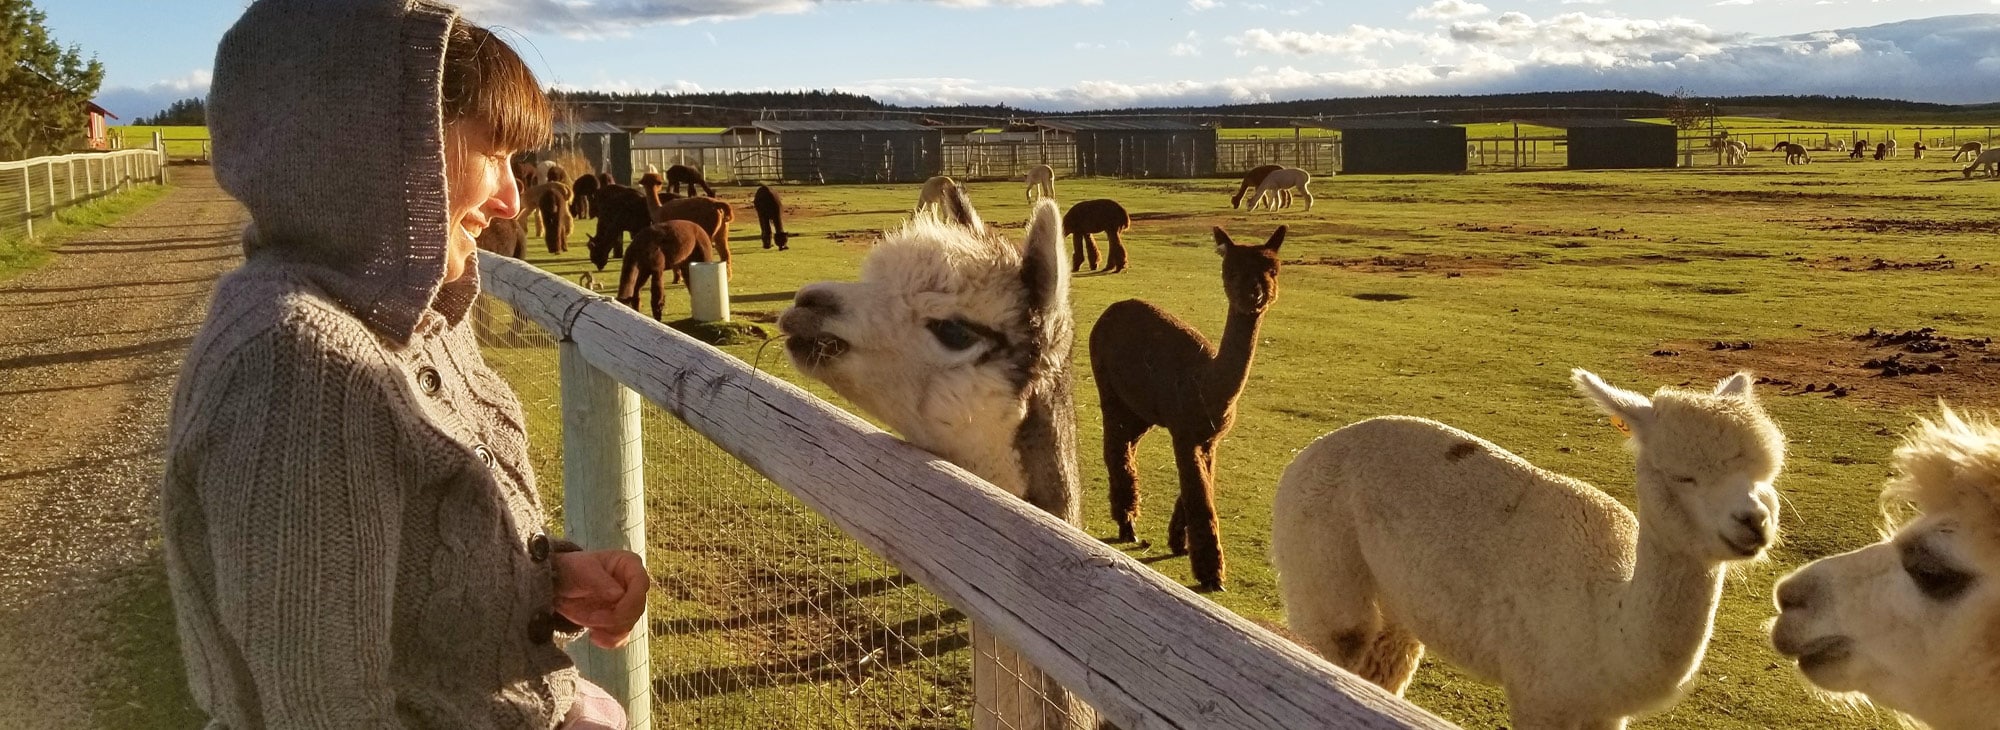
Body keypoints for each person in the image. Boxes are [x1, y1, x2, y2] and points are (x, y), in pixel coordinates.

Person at [161, 1, 648, 727]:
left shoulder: (410, 313)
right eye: (496, 152)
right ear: (385, 151)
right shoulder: (301, 364)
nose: (514, 198)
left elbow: (408, 582)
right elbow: (320, 709)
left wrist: (543, 580)